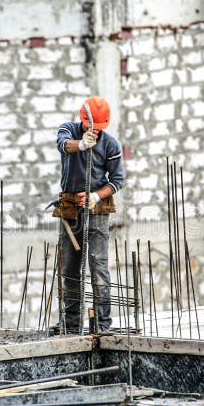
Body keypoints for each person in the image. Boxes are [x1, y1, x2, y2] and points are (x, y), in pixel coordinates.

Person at [51, 96, 124, 334]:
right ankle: (71, 324)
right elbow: (63, 145)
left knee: (98, 266)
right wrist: (81, 144)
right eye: (91, 125)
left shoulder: (111, 145)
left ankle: (102, 324)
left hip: (96, 211)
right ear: (83, 119)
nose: (94, 130)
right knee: (70, 268)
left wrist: (95, 196)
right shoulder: (68, 129)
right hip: (70, 208)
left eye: (99, 128)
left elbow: (117, 181)